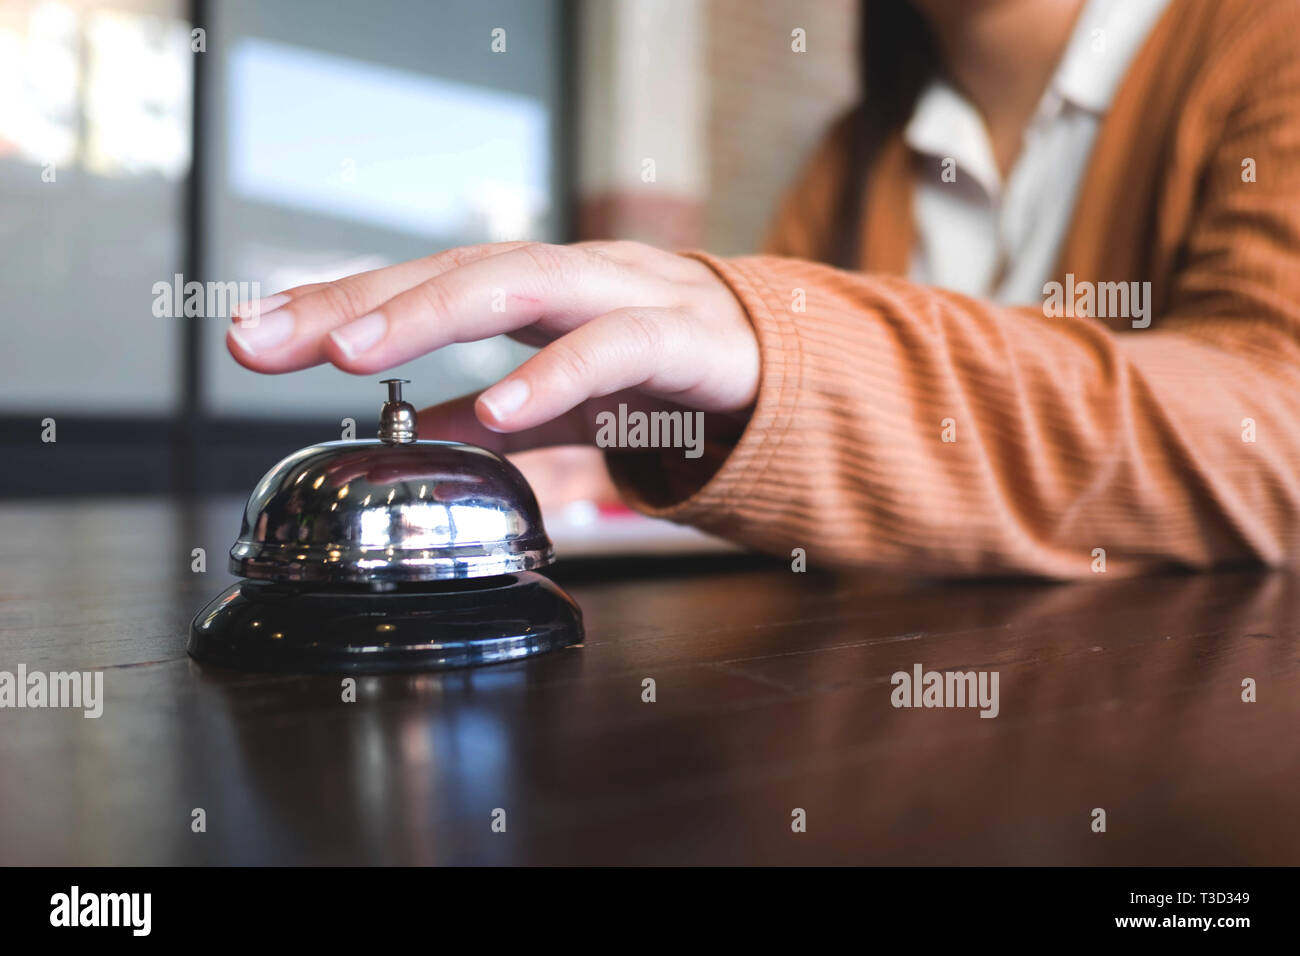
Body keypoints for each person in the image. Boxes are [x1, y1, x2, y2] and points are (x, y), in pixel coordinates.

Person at [228, 0, 1300, 579]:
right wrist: (611, 457)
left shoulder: (1266, 42)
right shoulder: (858, 151)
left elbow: (1276, 428)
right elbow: (772, 435)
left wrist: (786, 348)